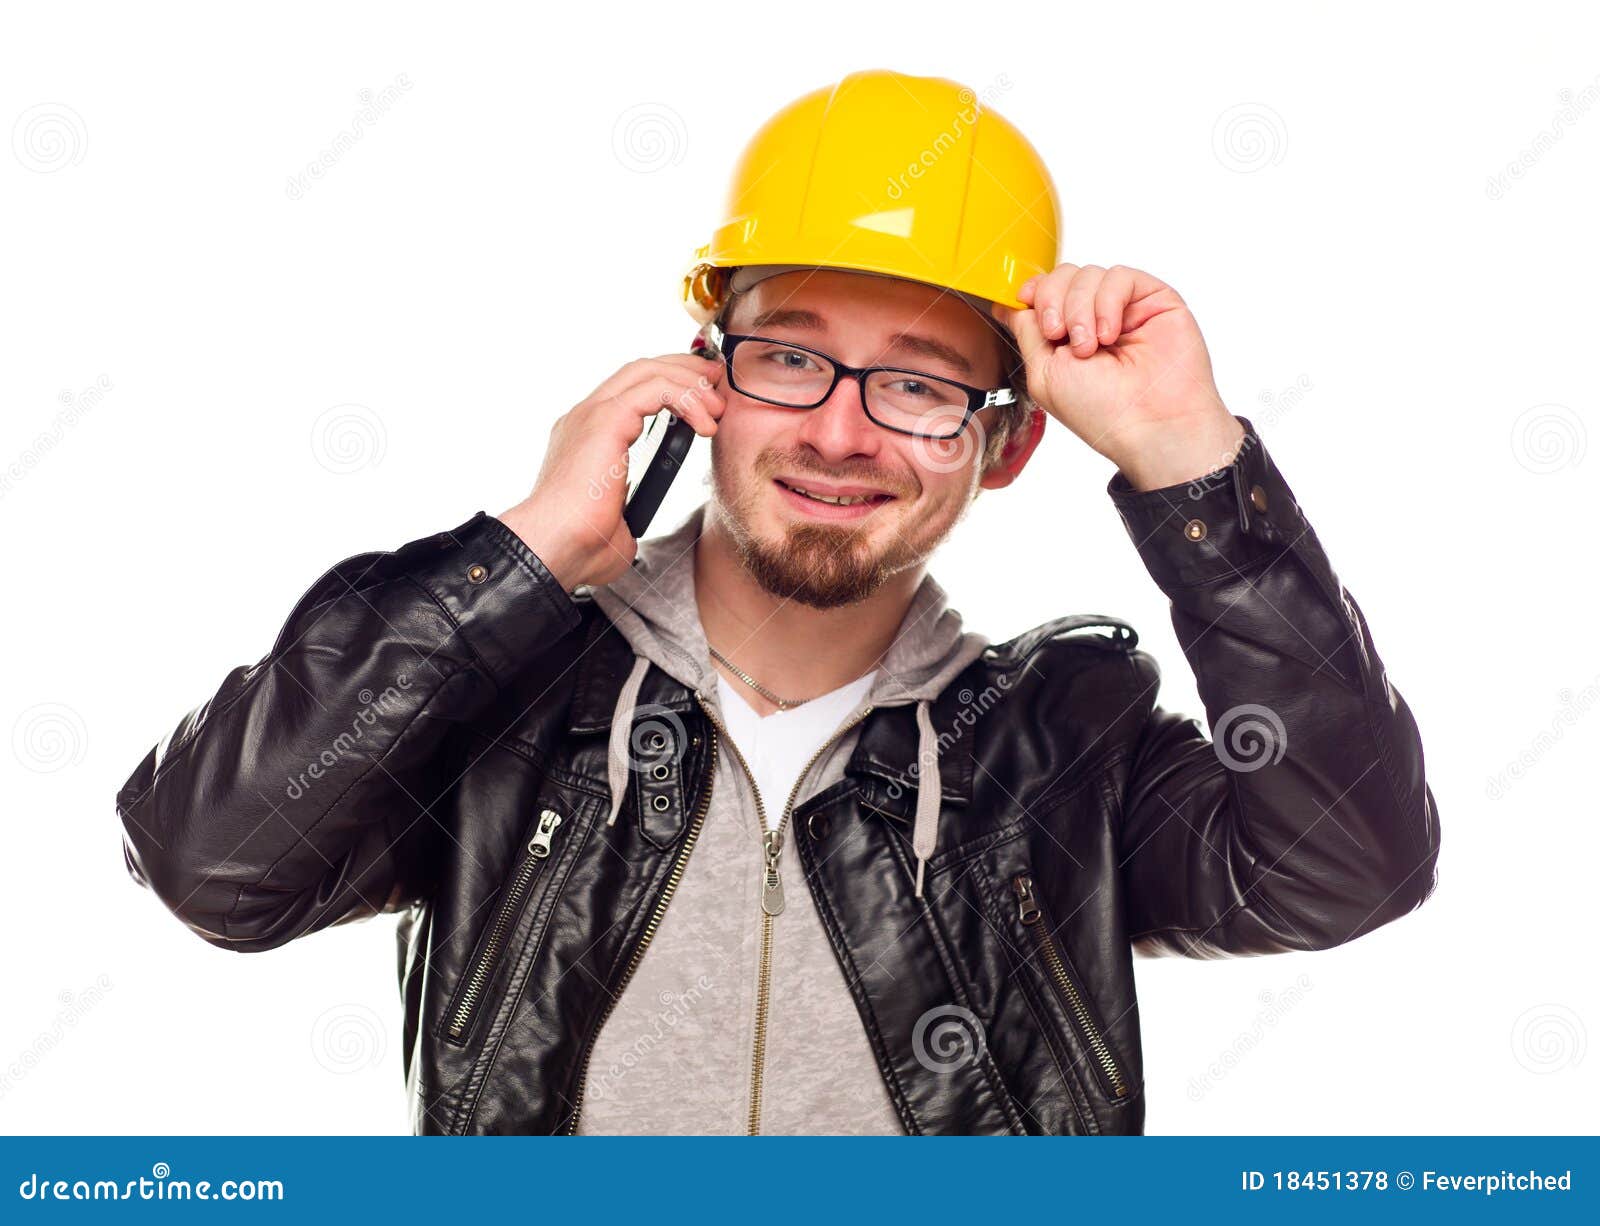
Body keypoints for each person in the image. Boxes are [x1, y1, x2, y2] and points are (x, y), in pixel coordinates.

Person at [116, 69, 1440, 1135]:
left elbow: (1350, 862)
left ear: (1009, 443)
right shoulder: (506, 699)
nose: (843, 433)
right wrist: (520, 557)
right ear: (706, 379)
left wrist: (1191, 464)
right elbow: (213, 862)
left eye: (918, 383)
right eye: (789, 355)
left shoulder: (1061, 750)